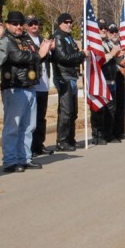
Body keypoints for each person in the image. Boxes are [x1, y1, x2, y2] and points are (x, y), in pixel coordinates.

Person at [0, 11, 52, 172]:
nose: (19, 26)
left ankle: (24, 158)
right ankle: (10, 161)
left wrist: (42, 51)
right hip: (14, 86)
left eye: (21, 24)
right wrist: (37, 54)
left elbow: (37, 54)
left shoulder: (25, 39)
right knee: (13, 127)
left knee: (28, 126)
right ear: (7, 25)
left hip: (30, 86)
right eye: (15, 24)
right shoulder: (7, 39)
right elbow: (18, 57)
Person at [50, 12, 86, 151]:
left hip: (71, 76)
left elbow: (73, 55)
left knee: (73, 111)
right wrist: (81, 54)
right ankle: (62, 141)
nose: (69, 24)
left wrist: (80, 56)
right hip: (63, 77)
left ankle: (70, 139)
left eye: (71, 22)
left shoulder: (68, 38)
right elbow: (63, 57)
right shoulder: (58, 37)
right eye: (66, 22)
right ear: (60, 23)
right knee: (66, 111)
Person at [25, 16, 53, 159]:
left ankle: (39, 144)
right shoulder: (25, 41)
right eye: (31, 24)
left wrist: (51, 49)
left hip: (44, 83)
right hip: (33, 84)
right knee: (32, 119)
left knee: (41, 117)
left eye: (36, 23)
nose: (34, 26)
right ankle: (31, 147)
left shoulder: (43, 40)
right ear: (26, 26)